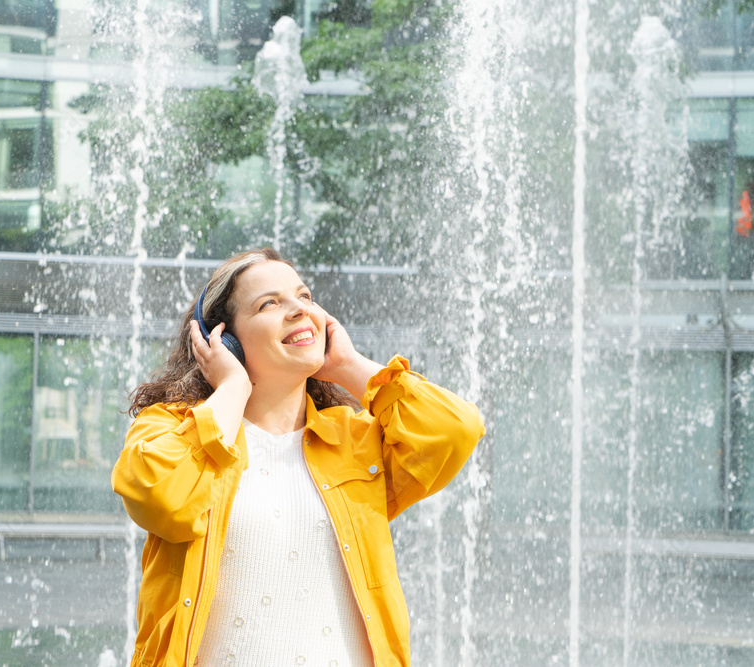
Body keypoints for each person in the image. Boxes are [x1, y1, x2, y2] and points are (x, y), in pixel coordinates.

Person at [111, 248, 484, 667]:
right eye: (269, 303)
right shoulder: (172, 428)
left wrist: (347, 364)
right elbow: (160, 496)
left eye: (303, 297)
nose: (298, 310)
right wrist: (232, 387)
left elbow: (456, 428)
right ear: (223, 339)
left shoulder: (353, 440)